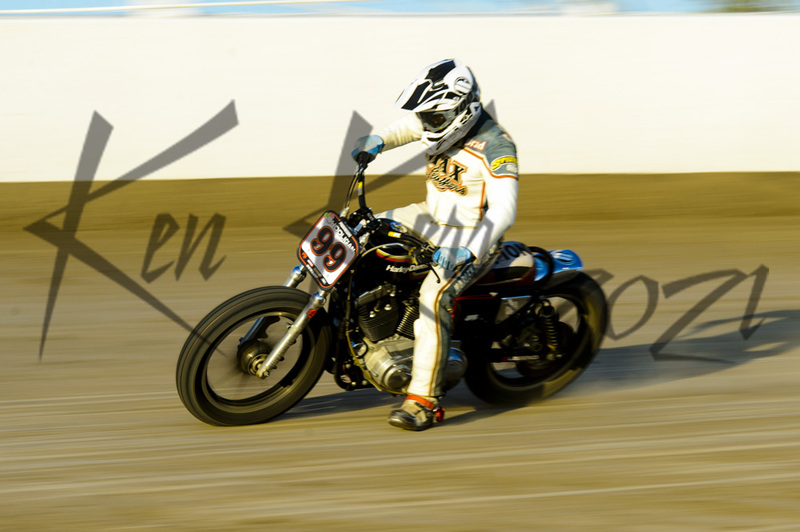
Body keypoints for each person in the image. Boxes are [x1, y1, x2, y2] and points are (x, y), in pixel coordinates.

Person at [351, 59, 519, 431]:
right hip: (430, 216)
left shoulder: (496, 146)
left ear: (463, 110)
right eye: (427, 118)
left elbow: (504, 210)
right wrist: (380, 140)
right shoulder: (438, 121)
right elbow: (412, 124)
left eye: (435, 120)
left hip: (472, 235)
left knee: (434, 299)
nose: (427, 127)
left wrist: (469, 249)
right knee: (360, 230)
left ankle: (424, 402)